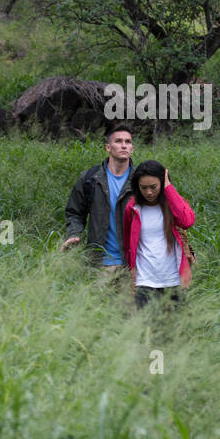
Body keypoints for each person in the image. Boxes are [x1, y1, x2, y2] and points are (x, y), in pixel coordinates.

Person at [61, 124, 135, 279]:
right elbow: (74, 212)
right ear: (108, 147)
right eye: (118, 141)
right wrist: (74, 234)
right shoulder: (91, 179)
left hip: (134, 264)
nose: (123, 146)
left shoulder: (141, 180)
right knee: (96, 303)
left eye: (128, 142)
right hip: (99, 264)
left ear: (132, 148)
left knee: (131, 304)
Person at [121, 160, 195, 310]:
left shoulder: (173, 204)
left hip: (174, 279)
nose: (149, 192)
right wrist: (132, 274)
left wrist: (169, 189)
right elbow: (129, 243)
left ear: (162, 184)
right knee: (148, 330)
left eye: (153, 187)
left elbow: (187, 221)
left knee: (175, 330)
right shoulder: (133, 208)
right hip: (145, 281)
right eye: (144, 188)